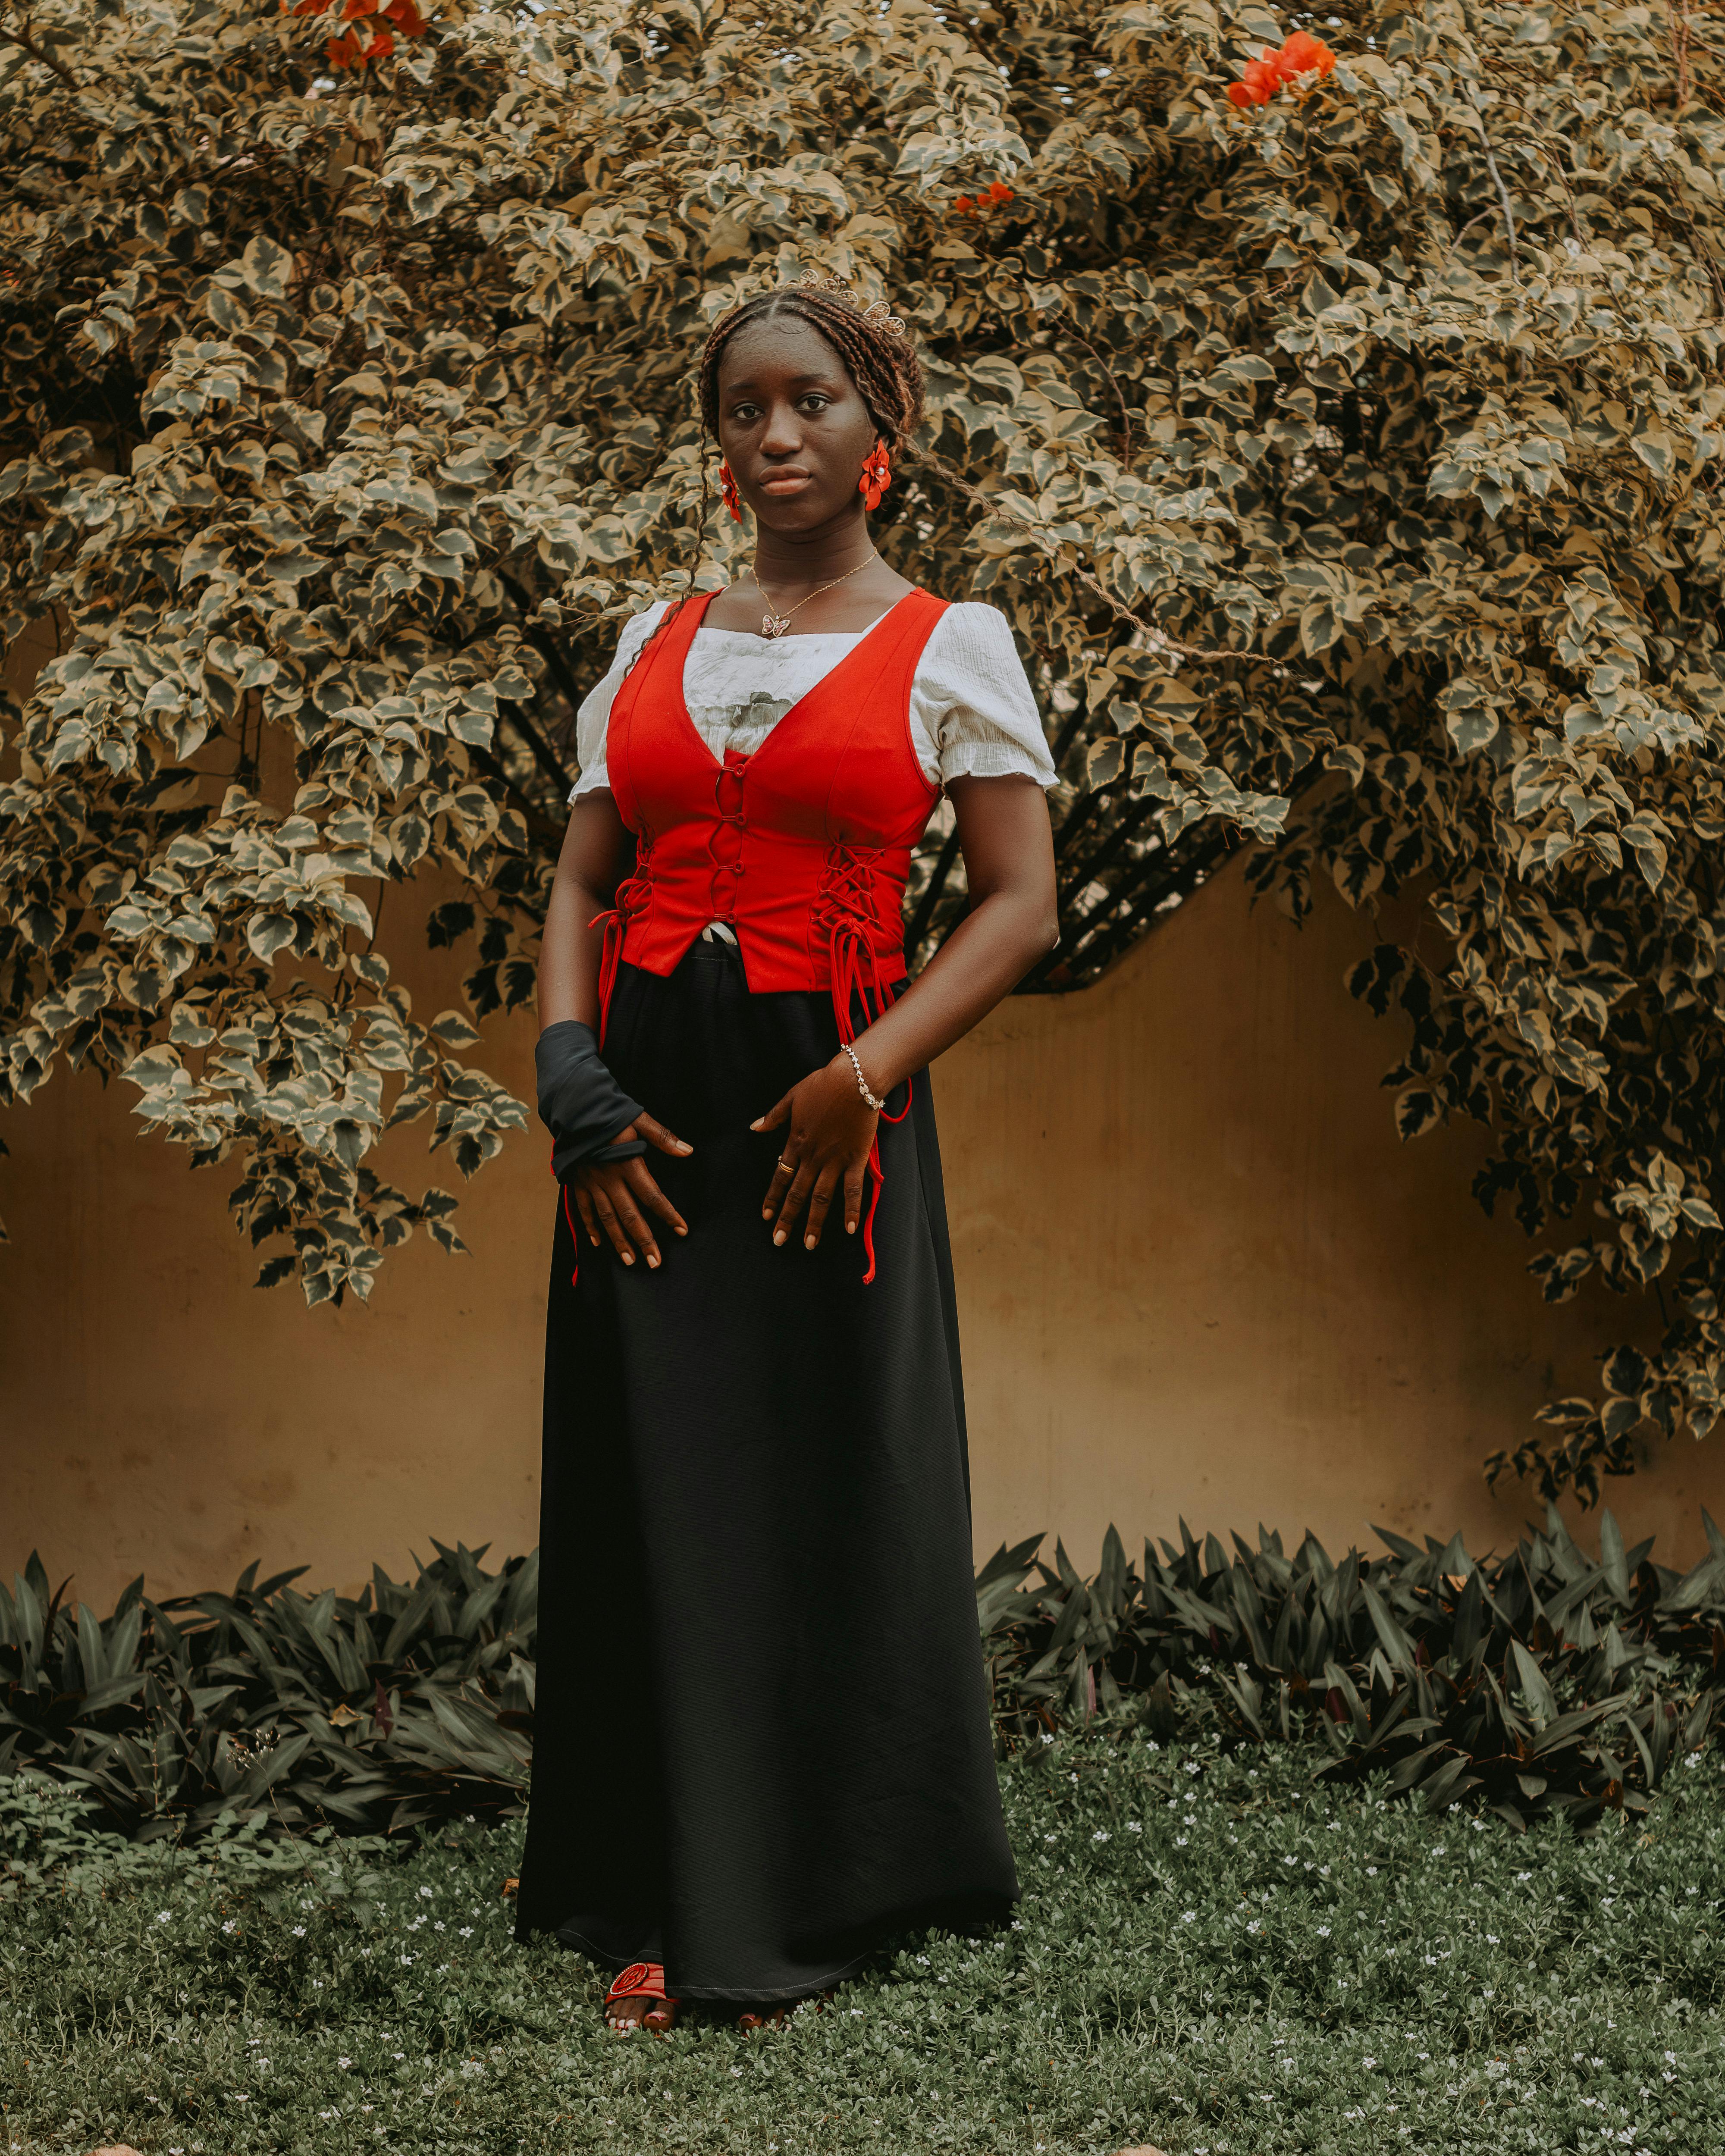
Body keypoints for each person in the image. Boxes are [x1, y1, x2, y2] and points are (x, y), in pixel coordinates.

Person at [513, 270, 1060, 2033]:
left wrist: (869, 1074)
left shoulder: (946, 643)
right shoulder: (652, 645)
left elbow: (1018, 903)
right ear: (719, 437)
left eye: (809, 400)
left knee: (823, 1487)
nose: (775, 434)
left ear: (876, 430)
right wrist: (569, 1081)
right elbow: (585, 879)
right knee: (653, 1487)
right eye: (744, 405)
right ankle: (656, 1892)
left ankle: (815, 1894)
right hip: (645, 1112)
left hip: (834, 1102)